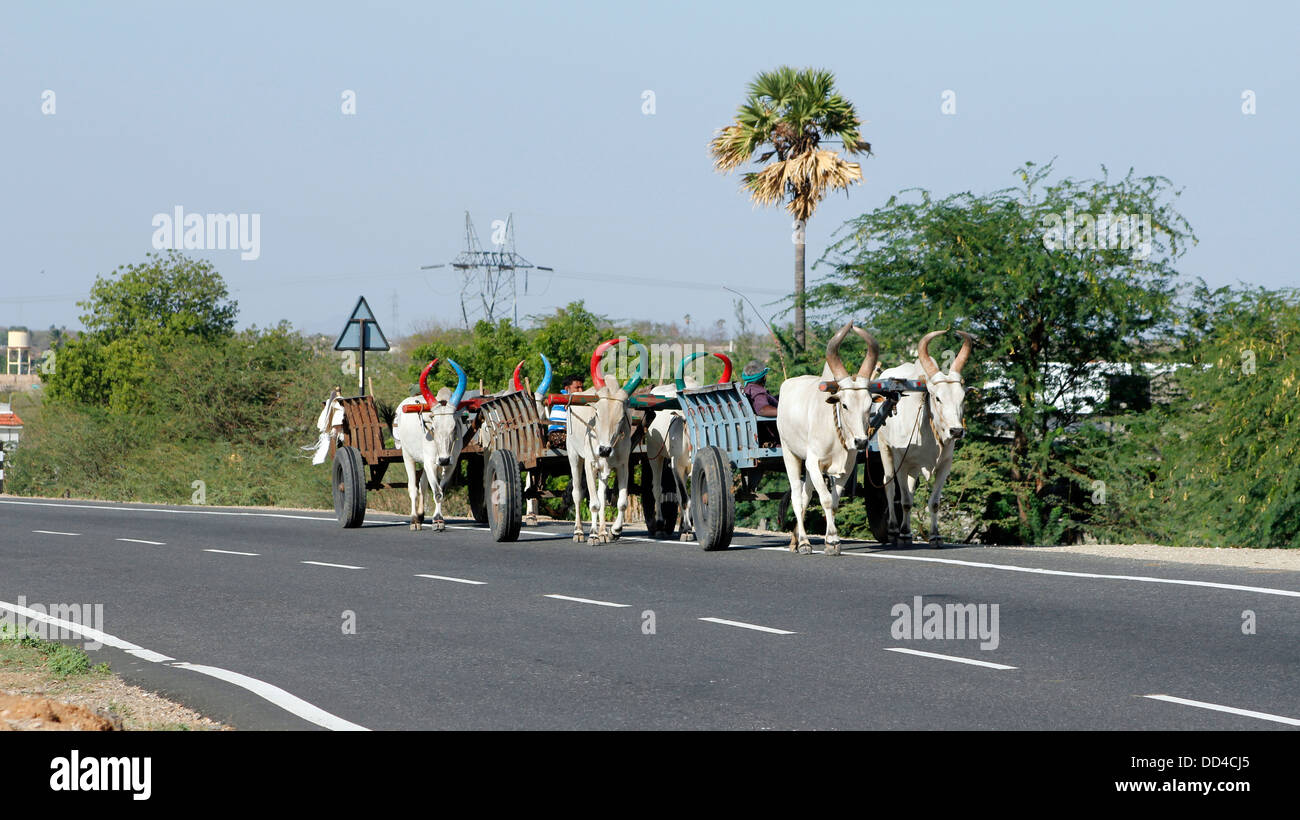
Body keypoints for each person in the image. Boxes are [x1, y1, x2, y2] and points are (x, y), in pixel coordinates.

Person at [741, 361, 780, 447]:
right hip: (771, 437)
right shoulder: (757, 391)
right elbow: (762, 409)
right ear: (764, 377)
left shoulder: (749, 389)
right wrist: (786, 412)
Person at [546, 374, 585, 449]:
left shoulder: (566, 398)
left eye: (582, 387)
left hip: (558, 435)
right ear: (567, 388)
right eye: (577, 388)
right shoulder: (566, 399)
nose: (581, 391)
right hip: (559, 435)